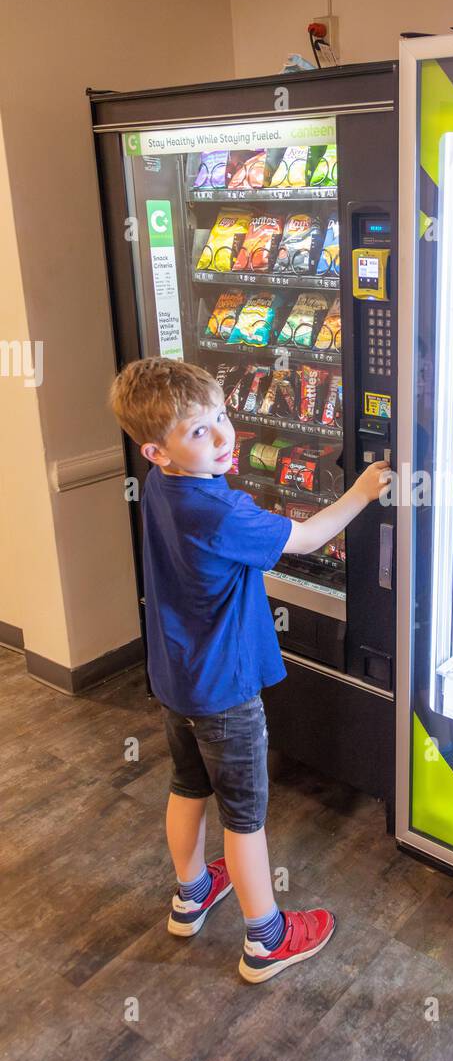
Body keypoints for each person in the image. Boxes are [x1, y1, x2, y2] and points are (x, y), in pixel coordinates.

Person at [108, 357, 390, 983]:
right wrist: (364, 490)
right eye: (200, 432)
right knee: (246, 818)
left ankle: (190, 893)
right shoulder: (220, 512)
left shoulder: (161, 488)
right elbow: (311, 538)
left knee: (187, 785)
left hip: (176, 679)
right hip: (226, 691)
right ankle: (266, 938)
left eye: (221, 418)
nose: (225, 435)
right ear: (158, 450)